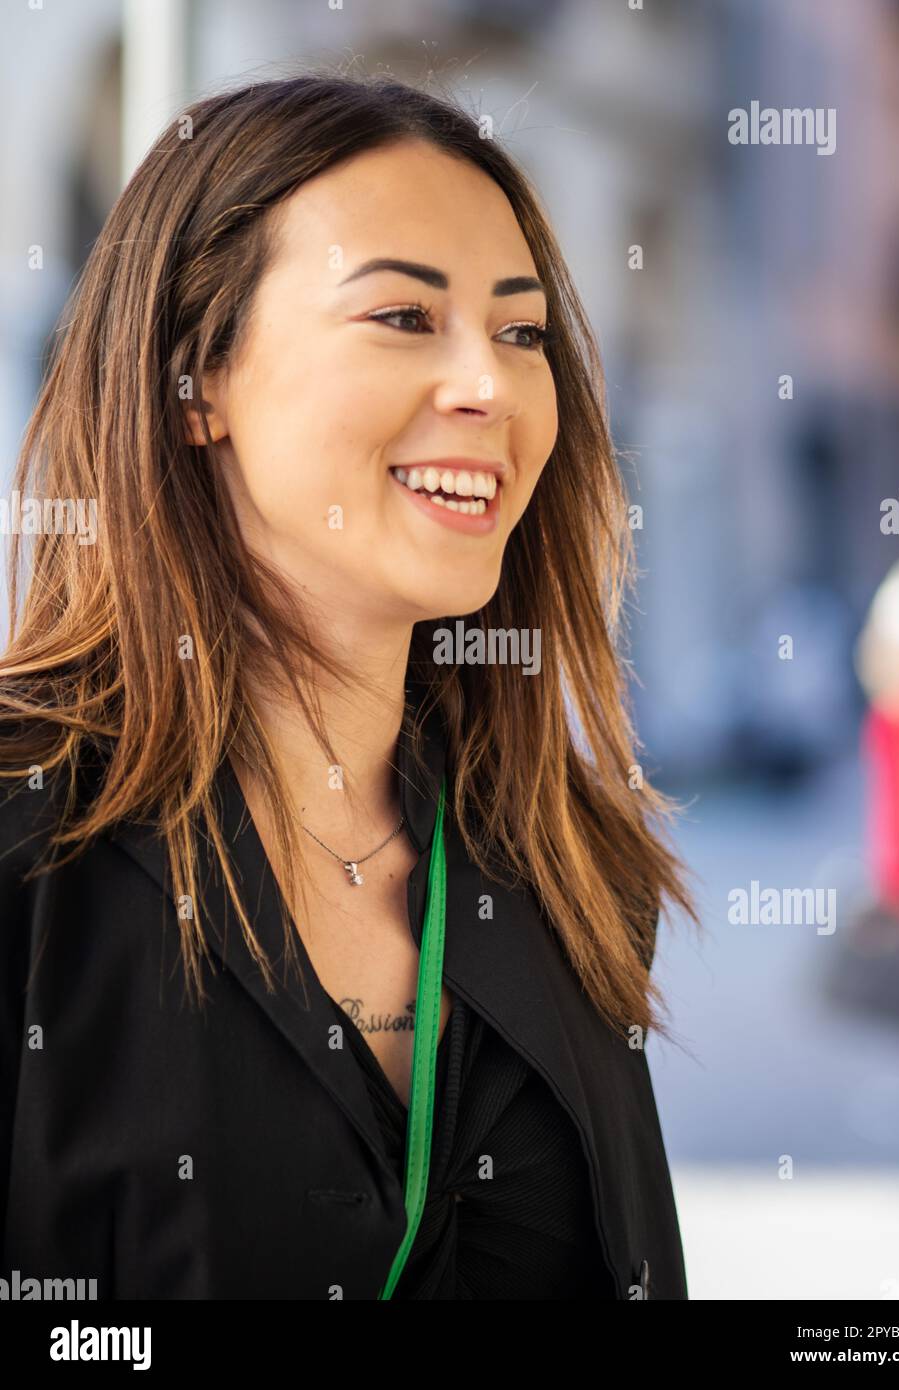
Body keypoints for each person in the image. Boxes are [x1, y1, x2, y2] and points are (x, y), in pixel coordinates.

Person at [0, 73, 697, 1300]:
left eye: (522, 332)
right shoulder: (26, 832)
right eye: (402, 318)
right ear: (194, 379)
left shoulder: (562, 863)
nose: (488, 385)